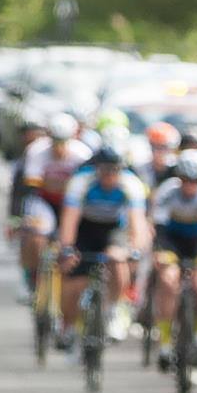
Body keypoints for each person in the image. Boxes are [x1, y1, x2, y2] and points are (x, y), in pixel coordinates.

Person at [57, 144, 148, 346]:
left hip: (114, 229)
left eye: (114, 170)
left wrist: (135, 249)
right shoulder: (81, 182)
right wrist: (67, 248)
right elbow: (69, 220)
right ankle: (68, 325)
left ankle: (114, 309)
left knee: (116, 259)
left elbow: (137, 222)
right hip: (85, 229)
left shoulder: (131, 184)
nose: (109, 176)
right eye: (105, 170)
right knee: (75, 282)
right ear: (97, 170)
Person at [148, 148, 197, 372]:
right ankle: (164, 342)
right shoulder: (167, 192)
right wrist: (159, 255)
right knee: (168, 281)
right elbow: (158, 229)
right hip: (171, 240)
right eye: (185, 180)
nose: (190, 186)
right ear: (178, 177)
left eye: (196, 181)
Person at [18, 113, 93, 322]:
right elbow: (31, 186)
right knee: (36, 233)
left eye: (64, 142)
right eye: (55, 142)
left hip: (71, 203)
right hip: (44, 200)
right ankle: (32, 277)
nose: (59, 147)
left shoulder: (82, 154)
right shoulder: (37, 151)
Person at [5, 116, 49, 303]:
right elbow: (18, 192)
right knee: (29, 233)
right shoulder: (23, 162)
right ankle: (28, 278)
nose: (32, 139)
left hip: (57, 203)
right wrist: (14, 218)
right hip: (35, 202)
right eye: (28, 136)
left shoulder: (50, 151)